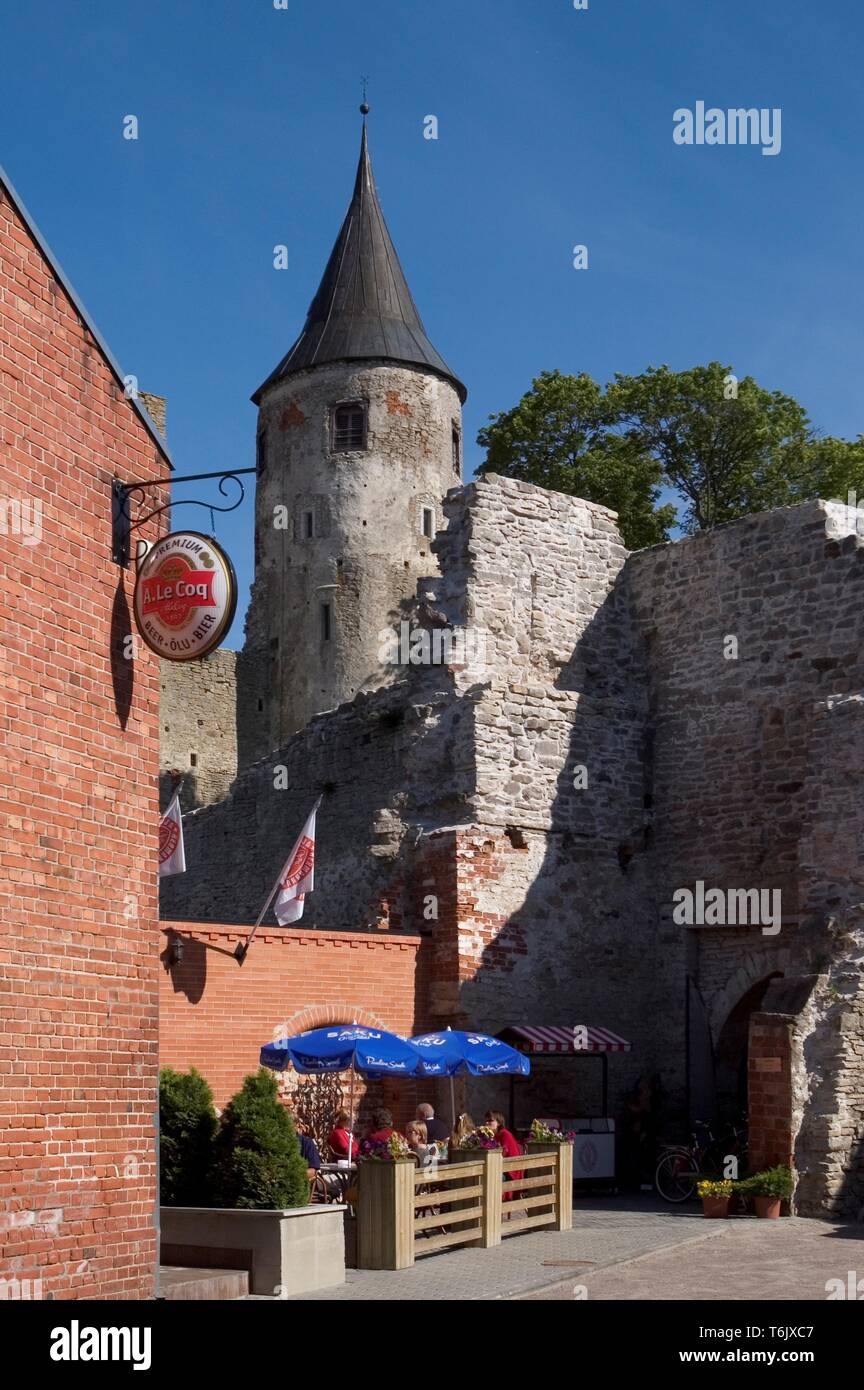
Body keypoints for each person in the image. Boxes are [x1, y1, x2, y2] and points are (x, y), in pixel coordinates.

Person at [485, 1110, 523, 1202]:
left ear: (498, 1123)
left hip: (510, 1170)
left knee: (490, 1178)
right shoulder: (493, 1135)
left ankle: (493, 1204)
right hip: (499, 1167)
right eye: (486, 1120)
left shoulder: (505, 1134)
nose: (487, 1123)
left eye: (490, 1121)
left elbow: (503, 1153)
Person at [293, 1115, 322, 1180]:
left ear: (296, 1125)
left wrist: (293, 1176)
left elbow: (313, 1170)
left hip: (298, 1183)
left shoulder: (306, 1143)